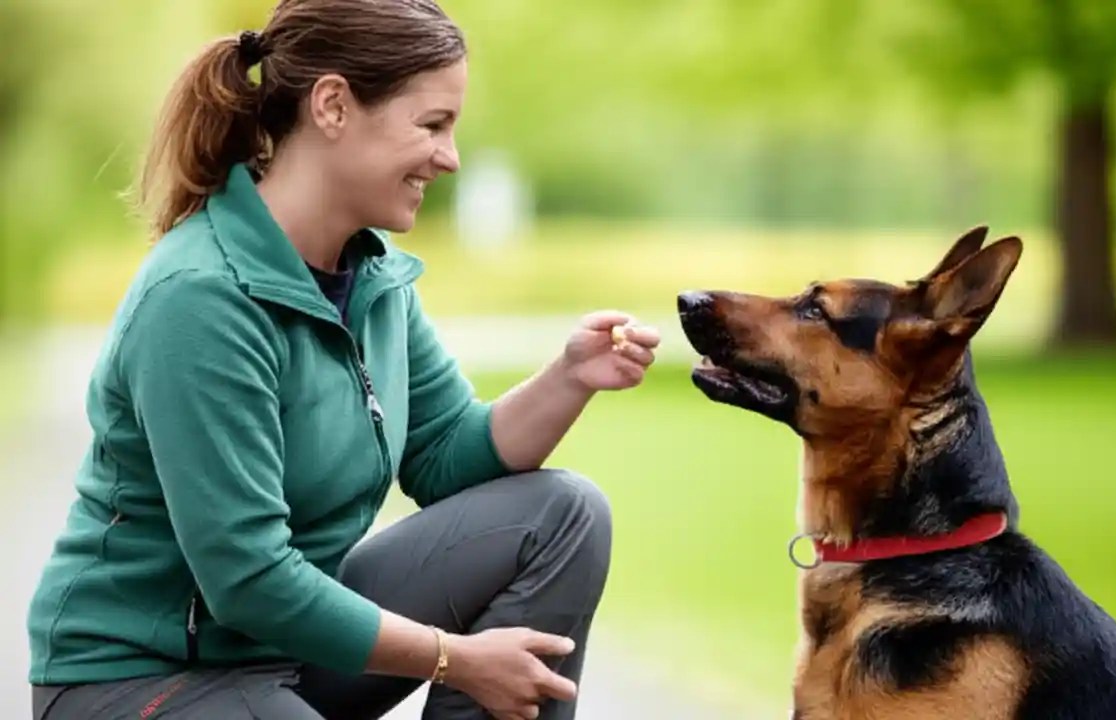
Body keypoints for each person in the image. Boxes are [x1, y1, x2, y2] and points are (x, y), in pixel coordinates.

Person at [25, 1, 662, 718]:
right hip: (142, 679)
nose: (449, 157)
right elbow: (250, 580)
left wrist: (570, 378)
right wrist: (455, 658)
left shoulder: (372, 276)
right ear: (332, 105)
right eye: (432, 125)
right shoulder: (201, 298)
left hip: (287, 653)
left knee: (563, 512)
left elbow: (447, 455)